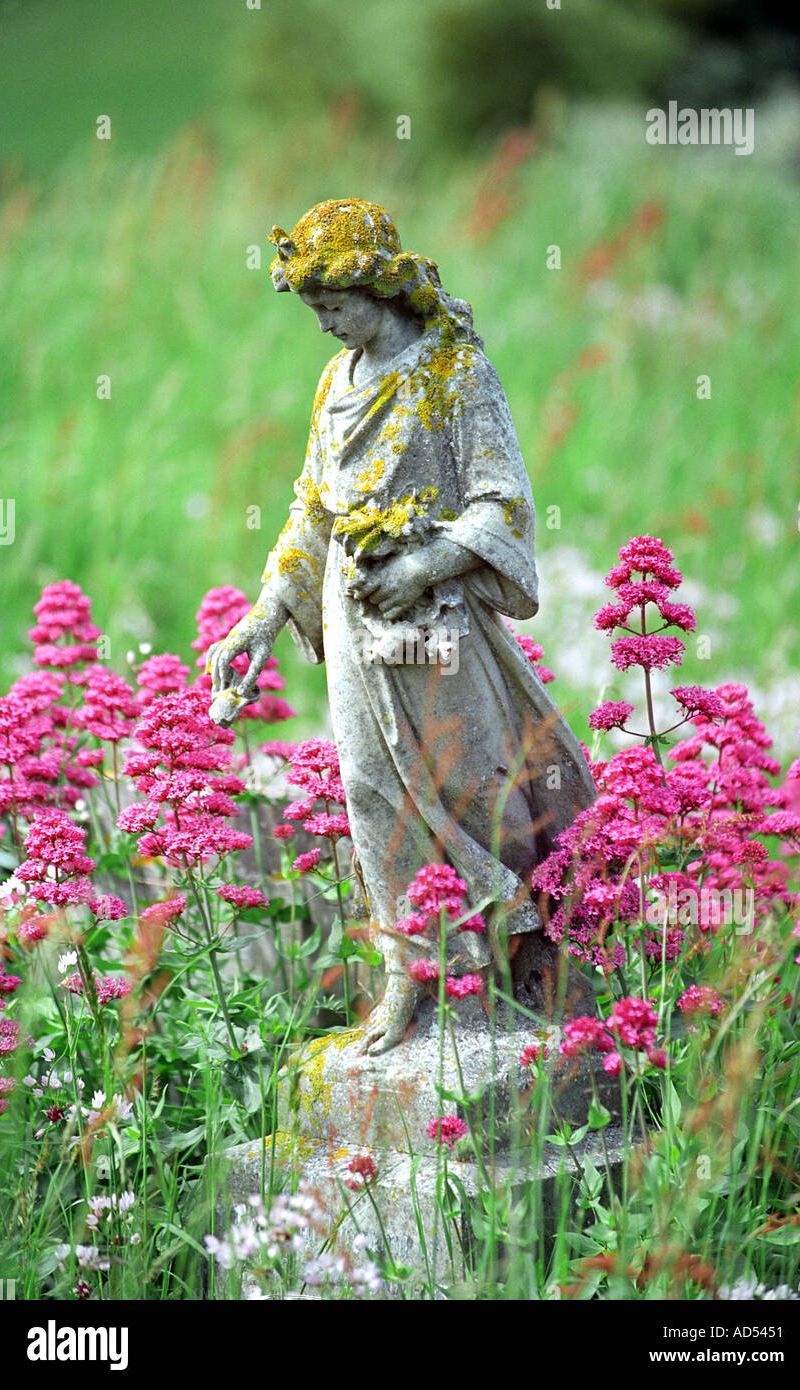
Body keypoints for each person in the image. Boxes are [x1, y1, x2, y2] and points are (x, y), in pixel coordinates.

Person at [207, 198, 594, 1054]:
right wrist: (265, 615)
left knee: (472, 777)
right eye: (313, 313)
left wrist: (424, 563)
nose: (325, 326)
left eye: (334, 307)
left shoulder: (450, 371)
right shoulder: (334, 382)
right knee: (372, 794)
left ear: (378, 288)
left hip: (432, 618)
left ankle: (526, 964)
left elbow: (501, 500)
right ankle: (410, 979)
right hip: (353, 620)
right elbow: (313, 508)